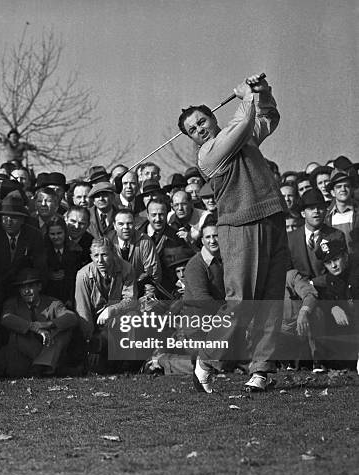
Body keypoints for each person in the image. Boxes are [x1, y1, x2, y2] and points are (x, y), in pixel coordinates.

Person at [178, 73, 288, 393]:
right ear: (194, 138)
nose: (200, 129)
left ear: (212, 117)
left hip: (272, 217)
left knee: (270, 302)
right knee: (241, 304)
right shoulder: (209, 154)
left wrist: (261, 92)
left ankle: (261, 371)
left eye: (202, 121)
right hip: (238, 228)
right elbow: (242, 125)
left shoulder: (238, 135)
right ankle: (207, 360)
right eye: (193, 130)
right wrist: (245, 96)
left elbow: (268, 117)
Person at [0, 268, 78, 377]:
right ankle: (44, 367)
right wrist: (35, 328)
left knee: (64, 331)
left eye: (30, 287)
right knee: (16, 334)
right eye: (22, 288)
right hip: (23, 355)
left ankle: (42, 365)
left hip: (48, 348)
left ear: (39, 287)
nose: (26, 291)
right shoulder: (12, 303)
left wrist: (47, 325)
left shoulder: (52, 303)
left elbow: (71, 317)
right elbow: (6, 318)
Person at [74, 237, 138, 372]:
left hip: (119, 319)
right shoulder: (83, 275)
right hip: (95, 327)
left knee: (133, 317)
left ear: (113, 253)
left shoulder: (126, 268)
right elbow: (83, 311)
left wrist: (111, 310)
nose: (100, 260)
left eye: (104, 255)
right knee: (98, 365)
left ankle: (129, 362)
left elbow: (131, 300)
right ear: (91, 256)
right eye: (96, 256)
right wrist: (92, 344)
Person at [312, 239, 359, 370]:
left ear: (345, 255)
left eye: (336, 259)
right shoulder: (332, 278)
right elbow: (328, 296)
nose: (333, 266)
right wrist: (334, 307)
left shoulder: (356, 271)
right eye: (328, 262)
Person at [288, 189, 346, 280]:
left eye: (320, 207)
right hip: (301, 292)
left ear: (326, 211)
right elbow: (289, 272)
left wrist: (313, 283)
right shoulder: (290, 239)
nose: (316, 211)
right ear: (303, 213)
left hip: (330, 291)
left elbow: (339, 271)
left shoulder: (337, 236)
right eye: (311, 208)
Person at [109, 209, 161, 298]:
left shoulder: (145, 241)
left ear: (135, 224)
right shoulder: (108, 242)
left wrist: (146, 296)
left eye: (129, 223)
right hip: (114, 291)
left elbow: (153, 273)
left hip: (140, 290)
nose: (126, 227)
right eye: (121, 224)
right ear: (114, 225)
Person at [43, 215, 82, 307]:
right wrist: (48, 274)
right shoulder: (42, 251)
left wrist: (70, 298)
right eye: (52, 234)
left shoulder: (76, 250)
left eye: (59, 233)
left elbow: (77, 278)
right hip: (48, 297)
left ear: (65, 232)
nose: (56, 237)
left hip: (70, 296)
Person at [324, 170, 359, 265]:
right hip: (337, 265)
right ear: (332, 192)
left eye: (346, 186)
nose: (343, 189)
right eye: (339, 187)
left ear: (351, 189)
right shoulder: (327, 216)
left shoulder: (357, 212)